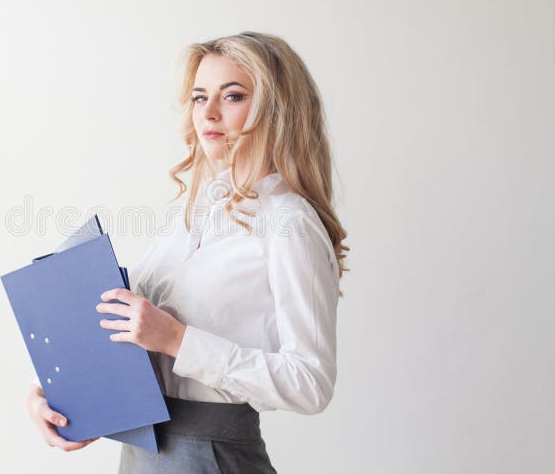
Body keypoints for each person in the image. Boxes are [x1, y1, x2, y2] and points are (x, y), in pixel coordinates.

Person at [26, 30, 350, 472]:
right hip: (144, 453)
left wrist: (177, 339)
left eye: (232, 96)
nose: (209, 113)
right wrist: (51, 393)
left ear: (277, 109)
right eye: (199, 98)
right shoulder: (193, 214)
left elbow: (311, 384)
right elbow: (126, 327)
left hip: (213, 457)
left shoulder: (289, 222)